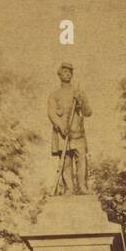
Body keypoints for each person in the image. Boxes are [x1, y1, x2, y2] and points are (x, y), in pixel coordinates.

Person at [47, 62, 93, 194]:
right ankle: (69, 189)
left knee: (82, 159)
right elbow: (51, 113)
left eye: (70, 72)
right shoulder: (54, 95)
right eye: (65, 72)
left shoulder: (78, 93)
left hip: (78, 132)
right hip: (63, 134)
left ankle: (83, 187)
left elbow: (88, 112)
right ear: (59, 74)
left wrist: (80, 102)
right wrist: (61, 126)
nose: (67, 74)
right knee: (66, 161)